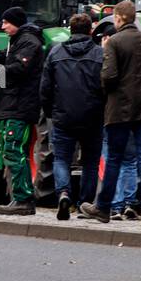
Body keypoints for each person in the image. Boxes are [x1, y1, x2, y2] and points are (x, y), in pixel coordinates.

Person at [80, 1, 141, 226]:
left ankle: (103, 208)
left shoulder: (114, 42)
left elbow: (108, 77)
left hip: (120, 109)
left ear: (118, 18)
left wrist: (107, 90)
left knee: (114, 158)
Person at [0, 6, 46, 215]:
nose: (2, 26)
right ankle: (20, 199)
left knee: (14, 149)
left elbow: (17, 70)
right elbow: (5, 65)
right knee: (12, 150)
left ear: (16, 22)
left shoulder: (29, 43)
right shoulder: (16, 42)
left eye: (6, 22)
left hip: (20, 106)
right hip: (12, 104)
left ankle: (23, 199)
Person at [39, 13, 104, 220]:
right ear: (91, 30)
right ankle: (84, 203)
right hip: (93, 117)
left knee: (61, 159)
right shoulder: (100, 54)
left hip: (63, 117)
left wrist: (50, 112)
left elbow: (45, 88)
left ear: (70, 30)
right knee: (91, 162)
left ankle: (64, 193)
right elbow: (106, 87)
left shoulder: (56, 53)